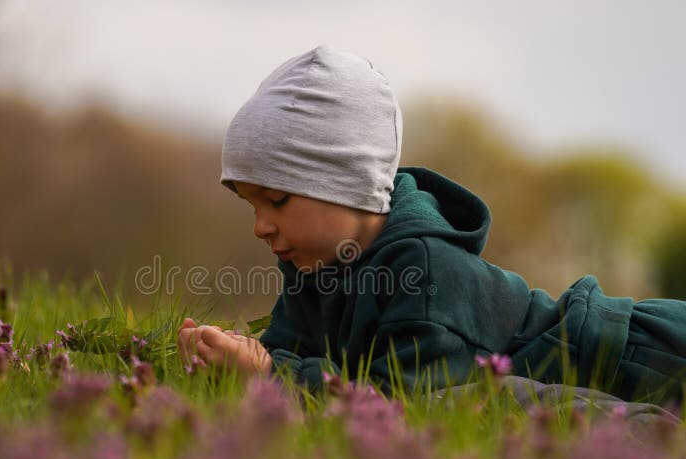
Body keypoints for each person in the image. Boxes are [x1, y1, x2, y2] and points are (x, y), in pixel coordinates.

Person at [177, 44, 686, 406]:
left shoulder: (420, 270)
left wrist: (271, 377)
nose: (260, 226)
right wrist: (233, 362)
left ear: (348, 186)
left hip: (638, 358)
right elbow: (294, 352)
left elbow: (398, 406)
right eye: (252, 206)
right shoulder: (315, 264)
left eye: (278, 200)